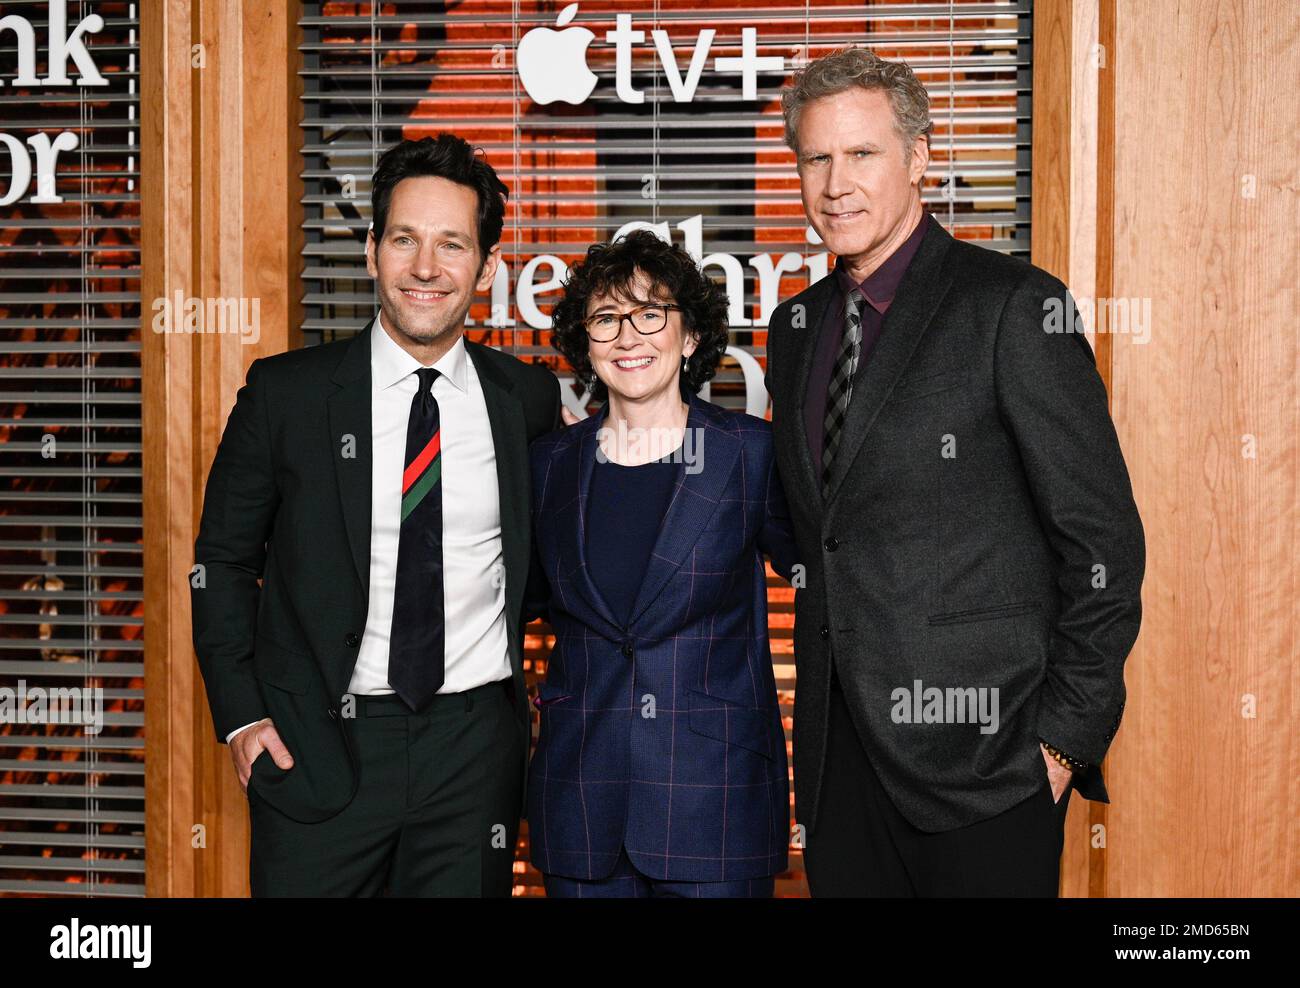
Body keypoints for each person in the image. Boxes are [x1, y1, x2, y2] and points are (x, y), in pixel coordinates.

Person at [764, 48, 1145, 896]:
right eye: (816, 158)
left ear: (921, 159)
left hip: (986, 766)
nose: (836, 184)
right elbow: (819, 531)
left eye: (862, 154)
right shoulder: (794, 329)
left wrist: (1058, 748)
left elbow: (1103, 543)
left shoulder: (1011, 307)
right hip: (839, 772)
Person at [190, 135, 561, 896]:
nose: (426, 268)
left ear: (485, 268)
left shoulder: (523, 399)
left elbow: (551, 560)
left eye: (452, 244)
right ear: (371, 252)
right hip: (317, 747)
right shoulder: (285, 395)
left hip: (471, 758)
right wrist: (242, 719)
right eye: (404, 239)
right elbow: (222, 562)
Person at [525, 230, 799, 897]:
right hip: (581, 803)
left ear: (691, 336)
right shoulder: (550, 465)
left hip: (716, 802)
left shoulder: (749, 453)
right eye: (606, 318)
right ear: (585, 342)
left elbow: (826, 583)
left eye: (651, 314)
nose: (628, 336)